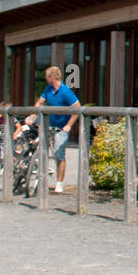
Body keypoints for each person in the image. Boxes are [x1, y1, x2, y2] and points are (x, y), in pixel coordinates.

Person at [34, 65, 80, 194]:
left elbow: (77, 107)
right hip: (48, 124)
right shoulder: (48, 89)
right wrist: (32, 115)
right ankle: (41, 175)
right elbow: (40, 102)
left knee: (59, 154)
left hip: (61, 127)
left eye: (46, 76)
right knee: (40, 148)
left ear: (52, 77)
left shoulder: (66, 92)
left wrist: (69, 125)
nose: (45, 79)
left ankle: (59, 183)